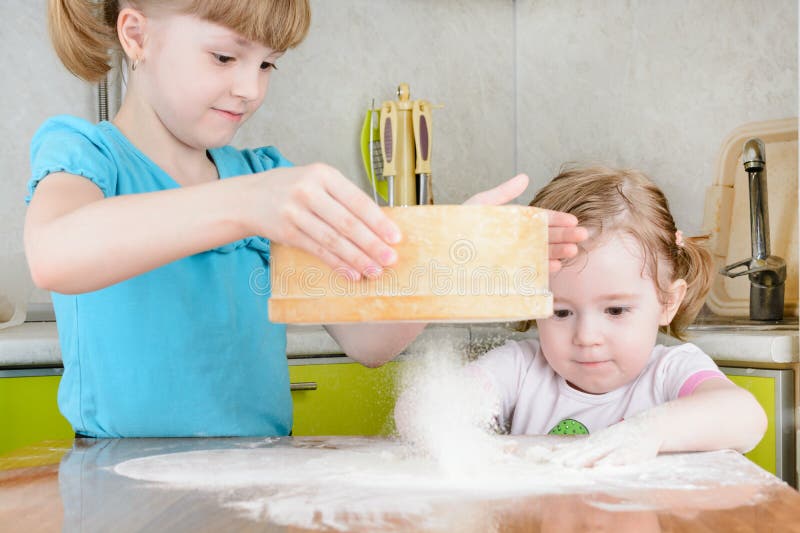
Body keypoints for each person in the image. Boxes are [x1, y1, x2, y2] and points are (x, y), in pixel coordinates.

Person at [25, 0, 586, 438]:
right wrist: (245, 203)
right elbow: (54, 252)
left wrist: (450, 255)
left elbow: (367, 342)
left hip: (260, 474)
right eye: (225, 57)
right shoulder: (87, 155)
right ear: (136, 35)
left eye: (266, 64)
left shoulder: (266, 176)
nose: (250, 89)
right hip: (118, 484)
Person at [466, 166, 767, 466]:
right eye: (560, 311)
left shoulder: (669, 372)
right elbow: (431, 412)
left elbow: (747, 417)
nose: (586, 336)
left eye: (615, 310)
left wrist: (651, 430)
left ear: (667, 301)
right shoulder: (520, 369)